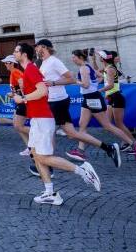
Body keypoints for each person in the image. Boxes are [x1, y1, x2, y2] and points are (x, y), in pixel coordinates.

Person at [13, 42, 101, 205]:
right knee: (35, 155)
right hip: (37, 119)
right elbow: (38, 92)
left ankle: (83, 171)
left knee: (43, 157)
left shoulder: (31, 69)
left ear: (24, 54)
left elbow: (43, 91)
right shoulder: (29, 70)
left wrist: (23, 98)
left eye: (16, 51)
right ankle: (49, 192)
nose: (14, 53)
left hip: (42, 119)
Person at [36, 40, 122, 170]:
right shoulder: (44, 62)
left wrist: (52, 83)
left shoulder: (54, 61)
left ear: (43, 47)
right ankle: (108, 148)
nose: (36, 49)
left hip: (58, 101)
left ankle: (48, 165)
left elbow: (70, 78)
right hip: (53, 100)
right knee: (68, 133)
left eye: (37, 47)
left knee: (53, 131)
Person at [69, 47, 136, 162]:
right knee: (82, 125)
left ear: (80, 57)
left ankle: (134, 144)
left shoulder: (84, 68)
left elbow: (85, 85)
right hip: (88, 97)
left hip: (92, 97)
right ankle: (80, 151)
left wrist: (74, 81)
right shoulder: (88, 66)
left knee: (107, 125)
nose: (72, 59)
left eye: (73, 57)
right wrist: (94, 84)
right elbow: (99, 77)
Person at [98, 51, 136, 146]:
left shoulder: (110, 69)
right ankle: (127, 141)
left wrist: (99, 91)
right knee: (107, 124)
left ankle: (134, 144)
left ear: (103, 58)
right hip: (112, 97)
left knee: (119, 124)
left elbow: (110, 85)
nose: (99, 57)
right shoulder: (107, 68)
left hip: (116, 97)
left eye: (100, 56)